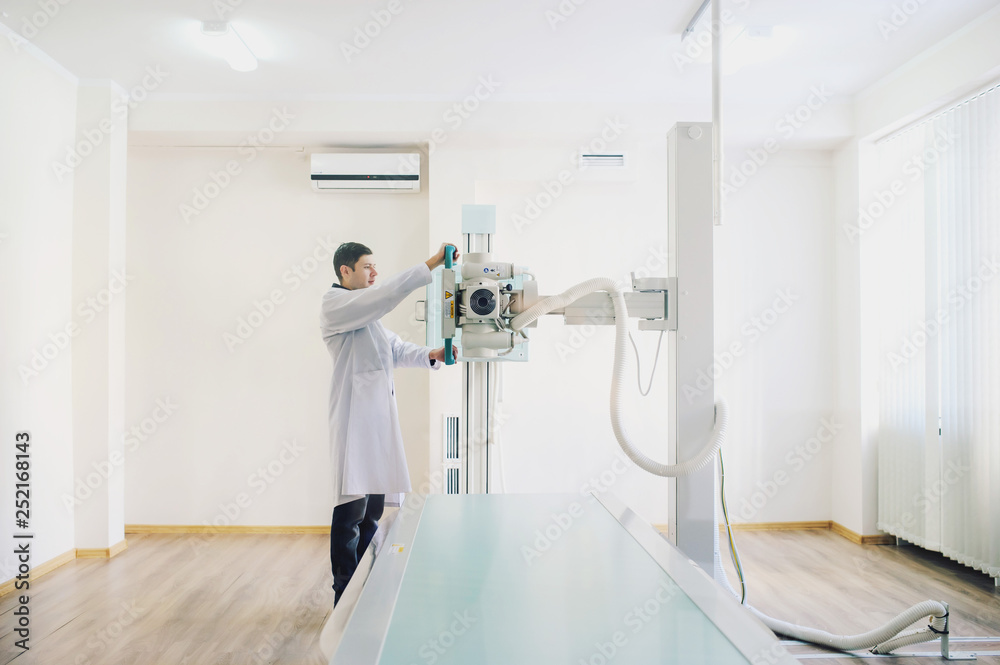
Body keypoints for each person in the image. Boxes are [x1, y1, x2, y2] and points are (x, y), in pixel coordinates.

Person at [320, 241, 459, 604]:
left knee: (373, 513)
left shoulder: (365, 314)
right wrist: (431, 265)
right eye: (368, 267)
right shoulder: (335, 305)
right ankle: (343, 597)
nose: (374, 273)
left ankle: (366, 592)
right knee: (350, 513)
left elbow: (395, 349)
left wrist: (432, 354)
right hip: (354, 423)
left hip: (377, 426)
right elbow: (384, 295)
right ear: (345, 271)